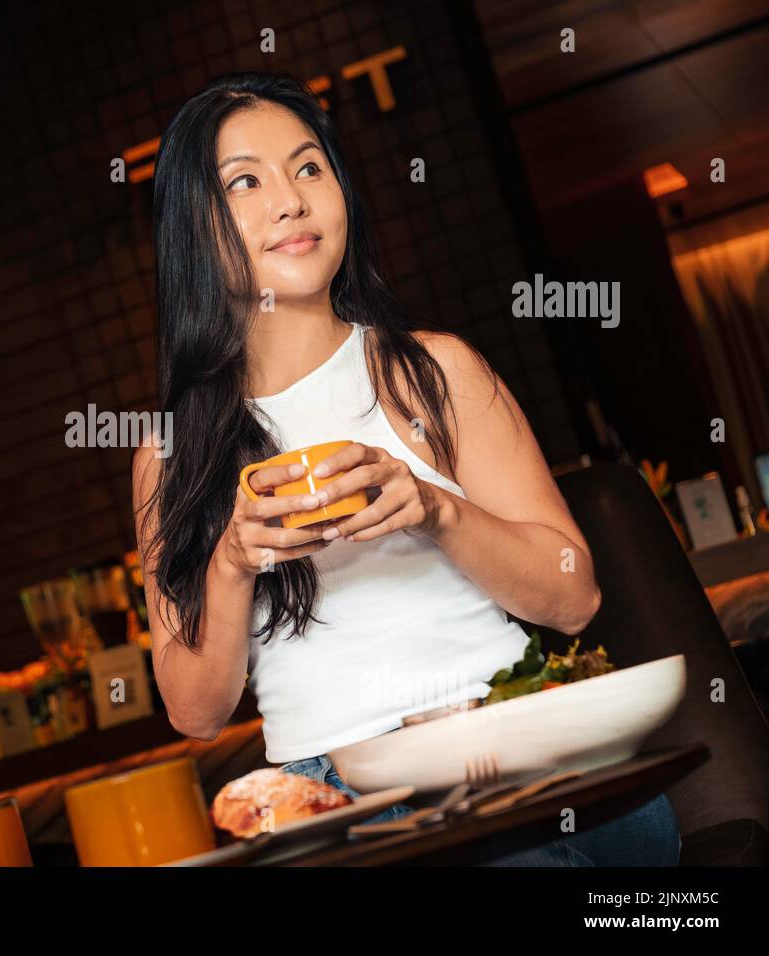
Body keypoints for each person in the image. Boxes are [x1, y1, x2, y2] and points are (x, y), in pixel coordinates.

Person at [129, 71, 679, 865]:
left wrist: (434, 509)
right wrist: (233, 560)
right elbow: (194, 711)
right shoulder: (171, 456)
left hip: (524, 745)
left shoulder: (436, 372)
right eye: (245, 182)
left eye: (309, 167)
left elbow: (574, 599)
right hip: (339, 796)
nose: (290, 199)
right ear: (192, 226)